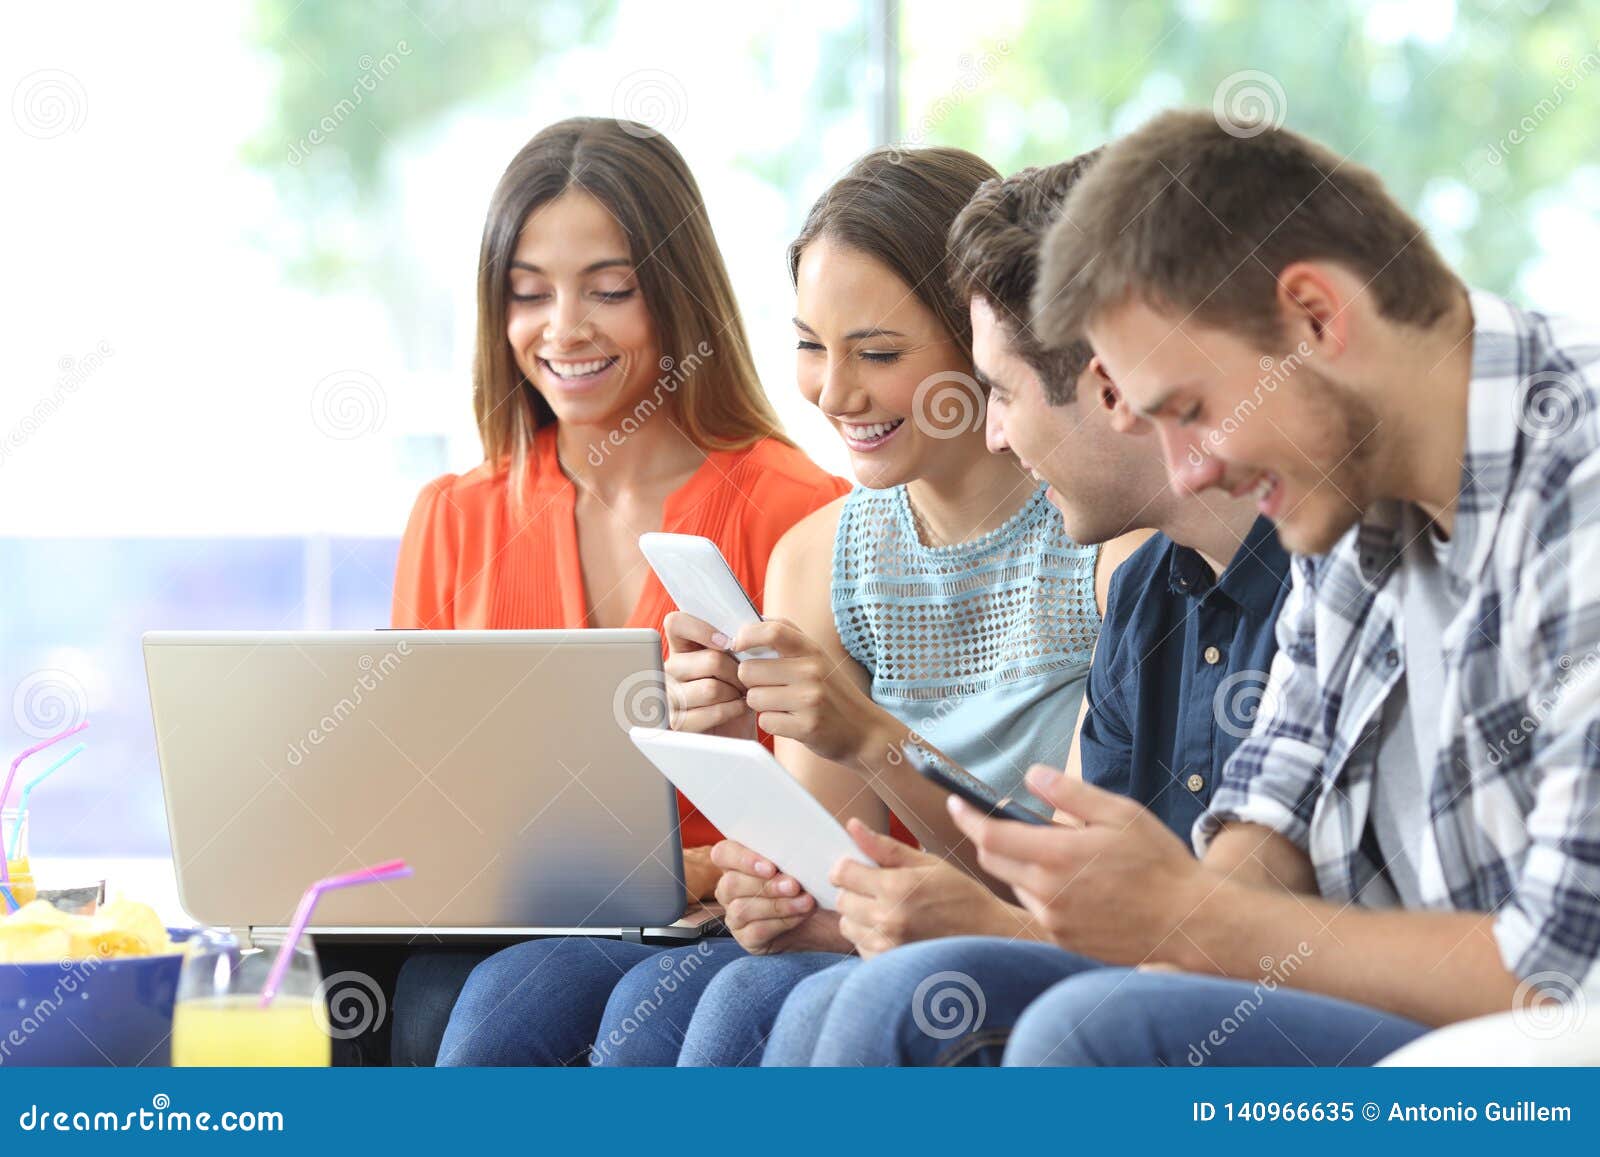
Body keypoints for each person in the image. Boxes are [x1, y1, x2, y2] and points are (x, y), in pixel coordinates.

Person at [440, 144, 1132, 1066]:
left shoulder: (1102, 535)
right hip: (878, 925)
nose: (833, 393)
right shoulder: (823, 554)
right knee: (519, 1004)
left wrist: (868, 737)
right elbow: (824, 868)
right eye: (810, 346)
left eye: (877, 353)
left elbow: (1070, 892)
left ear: (981, 335)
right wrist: (733, 770)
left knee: (736, 1008)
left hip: (1019, 930)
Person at [949, 107, 1600, 1066]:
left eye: (1194, 412)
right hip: (1434, 1024)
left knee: (1092, 1036)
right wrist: (1171, 936)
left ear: (1316, 317)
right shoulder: (1348, 491)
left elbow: (1556, 973)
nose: (1186, 471)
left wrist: (1183, 918)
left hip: (1545, 1040)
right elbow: (1271, 811)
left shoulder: (1574, 472)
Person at [721, 155, 1293, 1066]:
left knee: (912, 1010)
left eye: (1000, 390)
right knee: (750, 999)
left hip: (1269, 1018)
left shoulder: (1268, 580)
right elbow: (1074, 886)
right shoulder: (1157, 589)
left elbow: (1230, 947)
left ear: (1109, 389)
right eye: (810, 344)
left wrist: (978, 917)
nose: (988, 425)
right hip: (1145, 979)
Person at [382, 117, 848, 1065]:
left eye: (609, 290)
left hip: (717, 930)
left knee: (500, 1013)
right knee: (411, 993)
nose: (564, 330)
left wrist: (705, 868)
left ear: (676, 301)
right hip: (508, 918)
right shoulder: (452, 514)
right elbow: (417, 801)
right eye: (528, 294)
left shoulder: (799, 510)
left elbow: (822, 810)